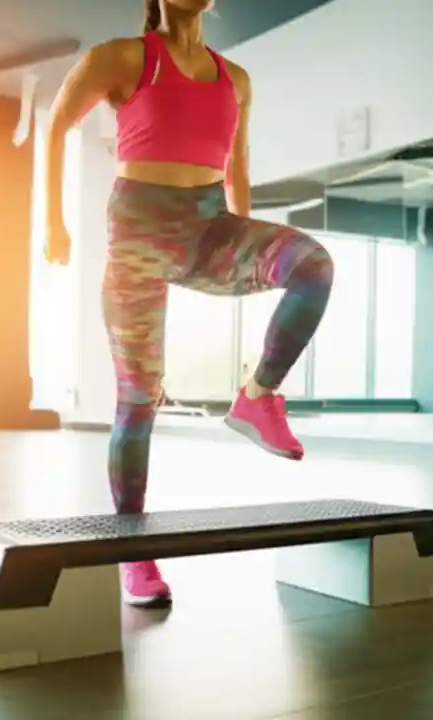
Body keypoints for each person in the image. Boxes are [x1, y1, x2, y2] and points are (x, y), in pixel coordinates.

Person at [42, 0, 334, 606]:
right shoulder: (124, 58)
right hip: (138, 240)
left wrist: (250, 249)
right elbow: (56, 121)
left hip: (209, 230)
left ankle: (257, 396)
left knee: (313, 265)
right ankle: (133, 551)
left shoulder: (236, 80)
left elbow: (237, 169)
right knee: (137, 399)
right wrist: (53, 221)